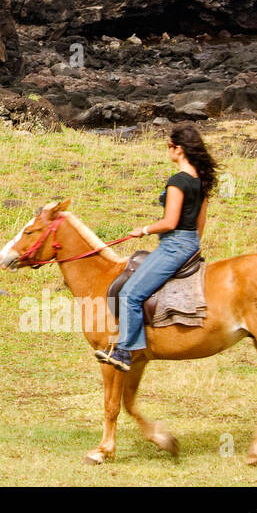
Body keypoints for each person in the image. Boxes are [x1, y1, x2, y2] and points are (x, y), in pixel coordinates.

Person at [95, 122, 219, 372]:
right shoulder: (202, 181)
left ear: (179, 149)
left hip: (173, 245)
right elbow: (200, 224)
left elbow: (170, 221)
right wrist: (192, 246)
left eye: (169, 146)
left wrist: (145, 230)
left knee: (130, 294)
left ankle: (124, 352)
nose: (169, 151)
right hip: (190, 243)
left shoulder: (178, 181)